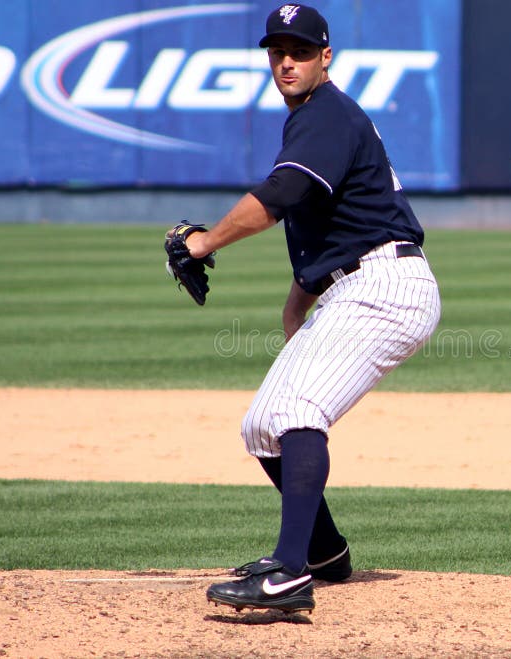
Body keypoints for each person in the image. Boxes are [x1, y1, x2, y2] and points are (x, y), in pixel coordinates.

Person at [190, 4, 441, 614]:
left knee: (298, 410)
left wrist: (204, 242)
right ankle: (325, 554)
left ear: (325, 57)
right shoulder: (312, 120)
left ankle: (288, 573)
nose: (286, 62)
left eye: (300, 51)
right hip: (356, 285)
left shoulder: (326, 114)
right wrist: (298, 303)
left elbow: (281, 195)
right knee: (262, 426)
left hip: (386, 285)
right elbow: (325, 224)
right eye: (277, 51)